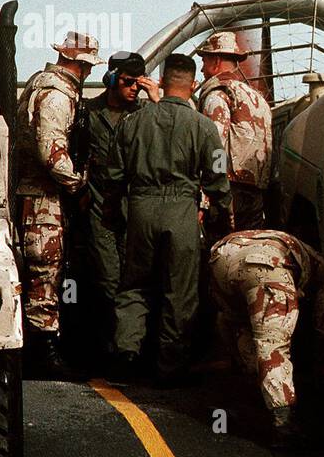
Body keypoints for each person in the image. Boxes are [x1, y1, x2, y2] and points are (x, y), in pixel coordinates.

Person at [106, 54, 231, 382]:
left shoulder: (131, 122)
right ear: (192, 85)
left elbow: (114, 175)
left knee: (134, 286)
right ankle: (169, 368)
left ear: (160, 82)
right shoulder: (203, 126)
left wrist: (116, 214)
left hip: (141, 209)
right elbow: (218, 176)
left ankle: (126, 355)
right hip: (181, 212)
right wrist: (221, 210)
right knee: (180, 291)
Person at [12, 30, 104, 376]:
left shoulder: (42, 85)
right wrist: (78, 186)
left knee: (44, 270)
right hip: (43, 197)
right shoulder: (55, 94)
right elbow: (52, 153)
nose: (89, 73)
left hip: (37, 194)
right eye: (87, 66)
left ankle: (42, 345)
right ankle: (43, 350)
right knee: (45, 271)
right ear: (79, 63)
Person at [208, 229, 324, 446]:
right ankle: (283, 423)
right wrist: (323, 361)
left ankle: (251, 382)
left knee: (238, 324)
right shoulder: (323, 272)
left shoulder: (290, 244)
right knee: (272, 346)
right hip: (267, 265)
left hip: (222, 257)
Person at [78, 52, 159, 356]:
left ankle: (131, 347)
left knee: (136, 278)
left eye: (137, 84)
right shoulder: (88, 112)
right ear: (111, 79)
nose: (133, 89)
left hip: (135, 207)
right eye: (127, 82)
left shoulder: (144, 111)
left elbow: (175, 124)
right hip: (100, 206)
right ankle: (111, 347)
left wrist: (155, 98)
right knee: (108, 278)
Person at [194, 31, 273, 230]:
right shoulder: (256, 98)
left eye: (204, 61)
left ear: (216, 60)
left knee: (222, 252)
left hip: (228, 193)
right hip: (256, 194)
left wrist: (204, 199)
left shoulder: (218, 95)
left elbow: (216, 147)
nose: (202, 69)